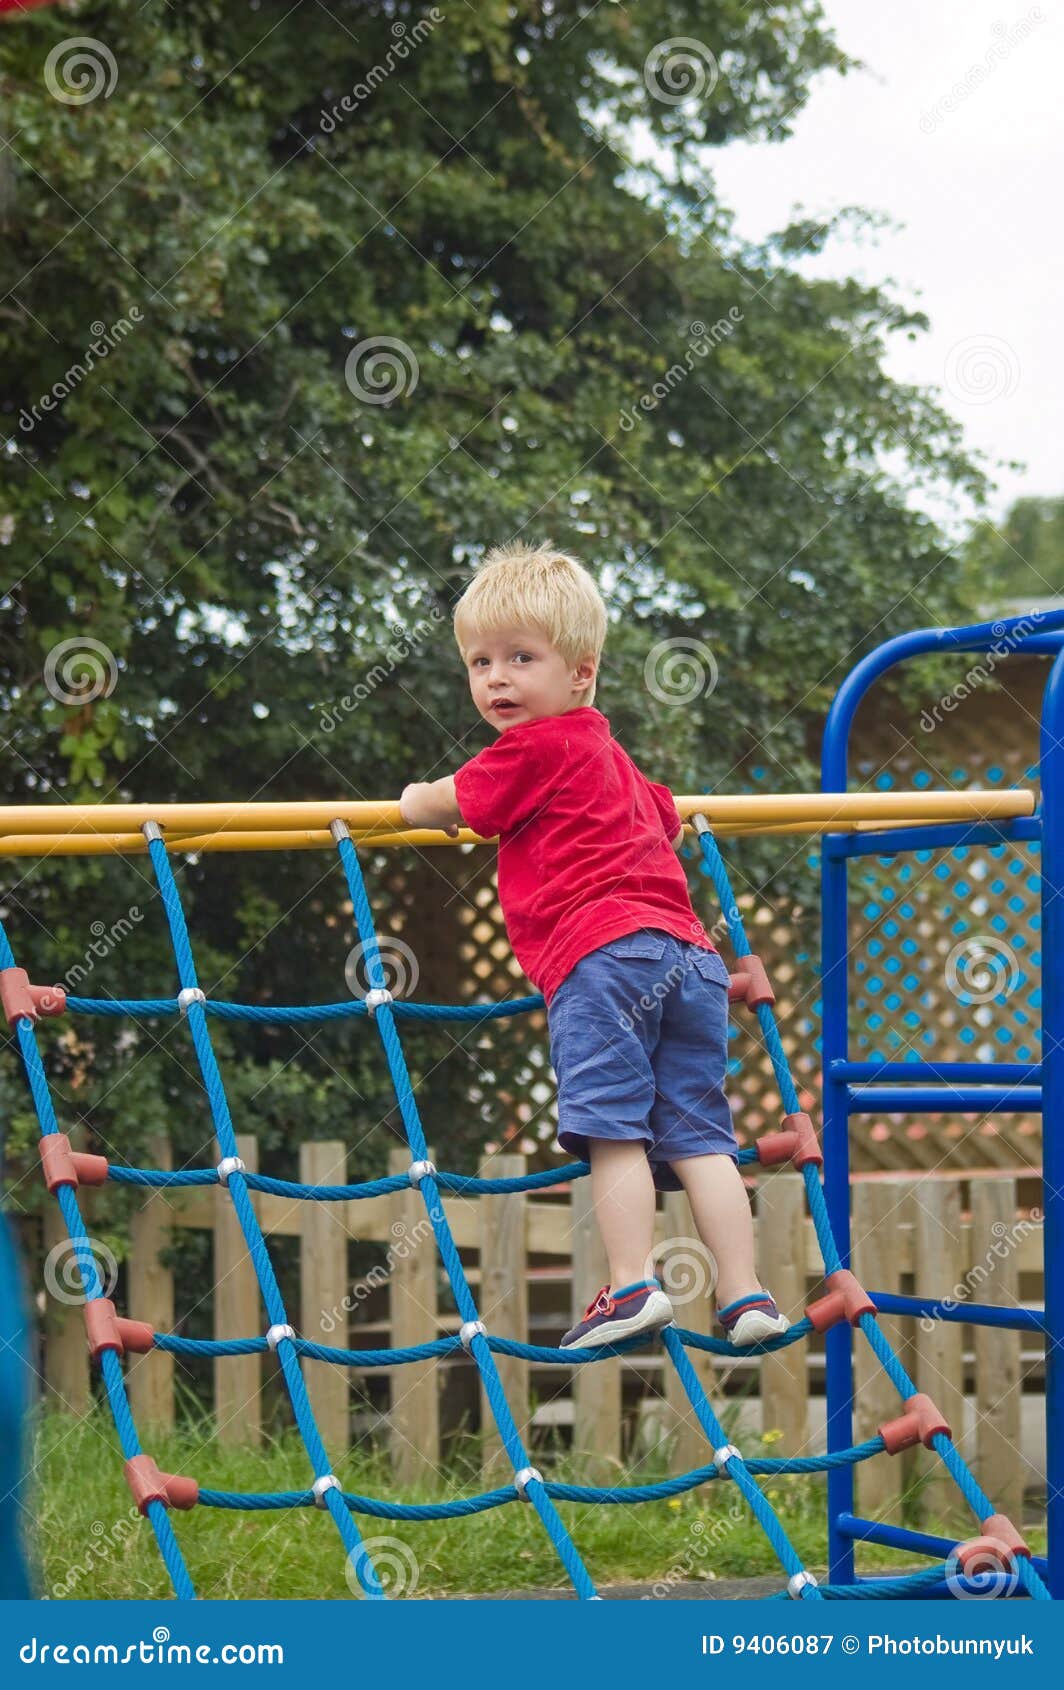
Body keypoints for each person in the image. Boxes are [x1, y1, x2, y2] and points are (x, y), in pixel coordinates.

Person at [399, 540, 789, 1351]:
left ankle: (631, 1284)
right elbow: (666, 815)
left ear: (581, 672)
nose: (497, 679)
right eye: (480, 662)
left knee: (614, 1130)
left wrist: (411, 800)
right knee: (702, 1137)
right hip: (691, 961)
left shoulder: (532, 748)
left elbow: (452, 802)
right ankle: (746, 1293)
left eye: (521, 658)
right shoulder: (614, 756)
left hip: (602, 960)